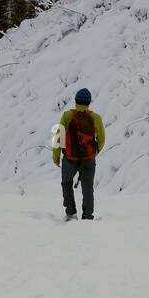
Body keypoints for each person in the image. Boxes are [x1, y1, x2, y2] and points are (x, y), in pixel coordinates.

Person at [52, 88, 105, 221]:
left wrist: (56, 156)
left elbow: (59, 137)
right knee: (87, 187)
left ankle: (70, 213)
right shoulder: (95, 118)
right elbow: (102, 139)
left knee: (66, 183)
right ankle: (87, 216)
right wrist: (94, 153)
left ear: (75, 101)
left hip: (70, 158)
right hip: (88, 159)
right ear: (89, 103)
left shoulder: (67, 116)